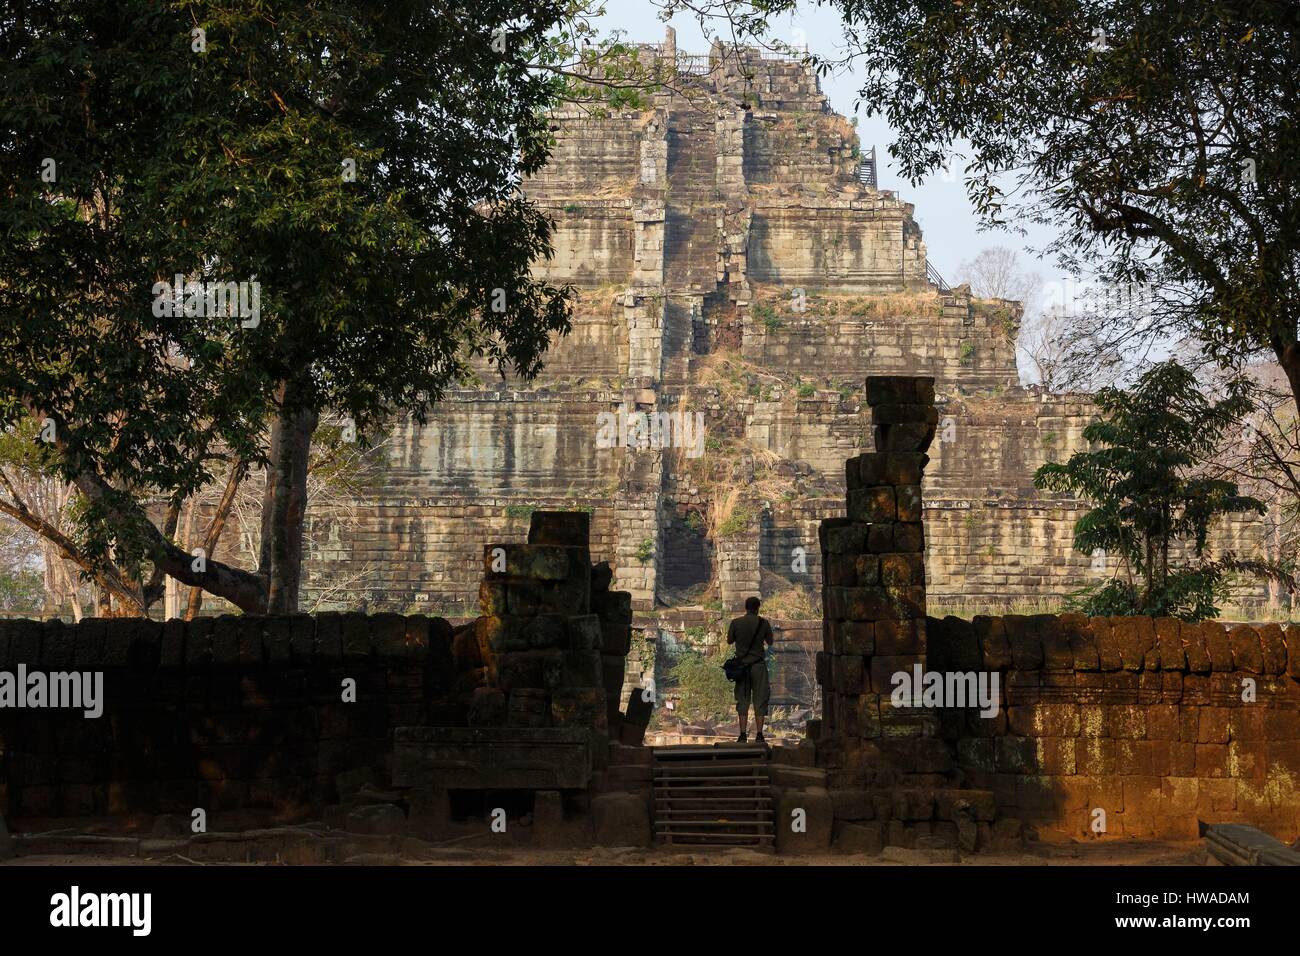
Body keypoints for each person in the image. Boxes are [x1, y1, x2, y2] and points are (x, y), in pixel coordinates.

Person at [726, 596, 773, 744]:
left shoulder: (736, 623)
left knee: (742, 700)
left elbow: (729, 640)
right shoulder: (763, 623)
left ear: (745, 607)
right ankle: (759, 734)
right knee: (760, 699)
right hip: (758, 666)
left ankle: (742, 735)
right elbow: (770, 642)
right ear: (758, 607)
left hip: (742, 668)